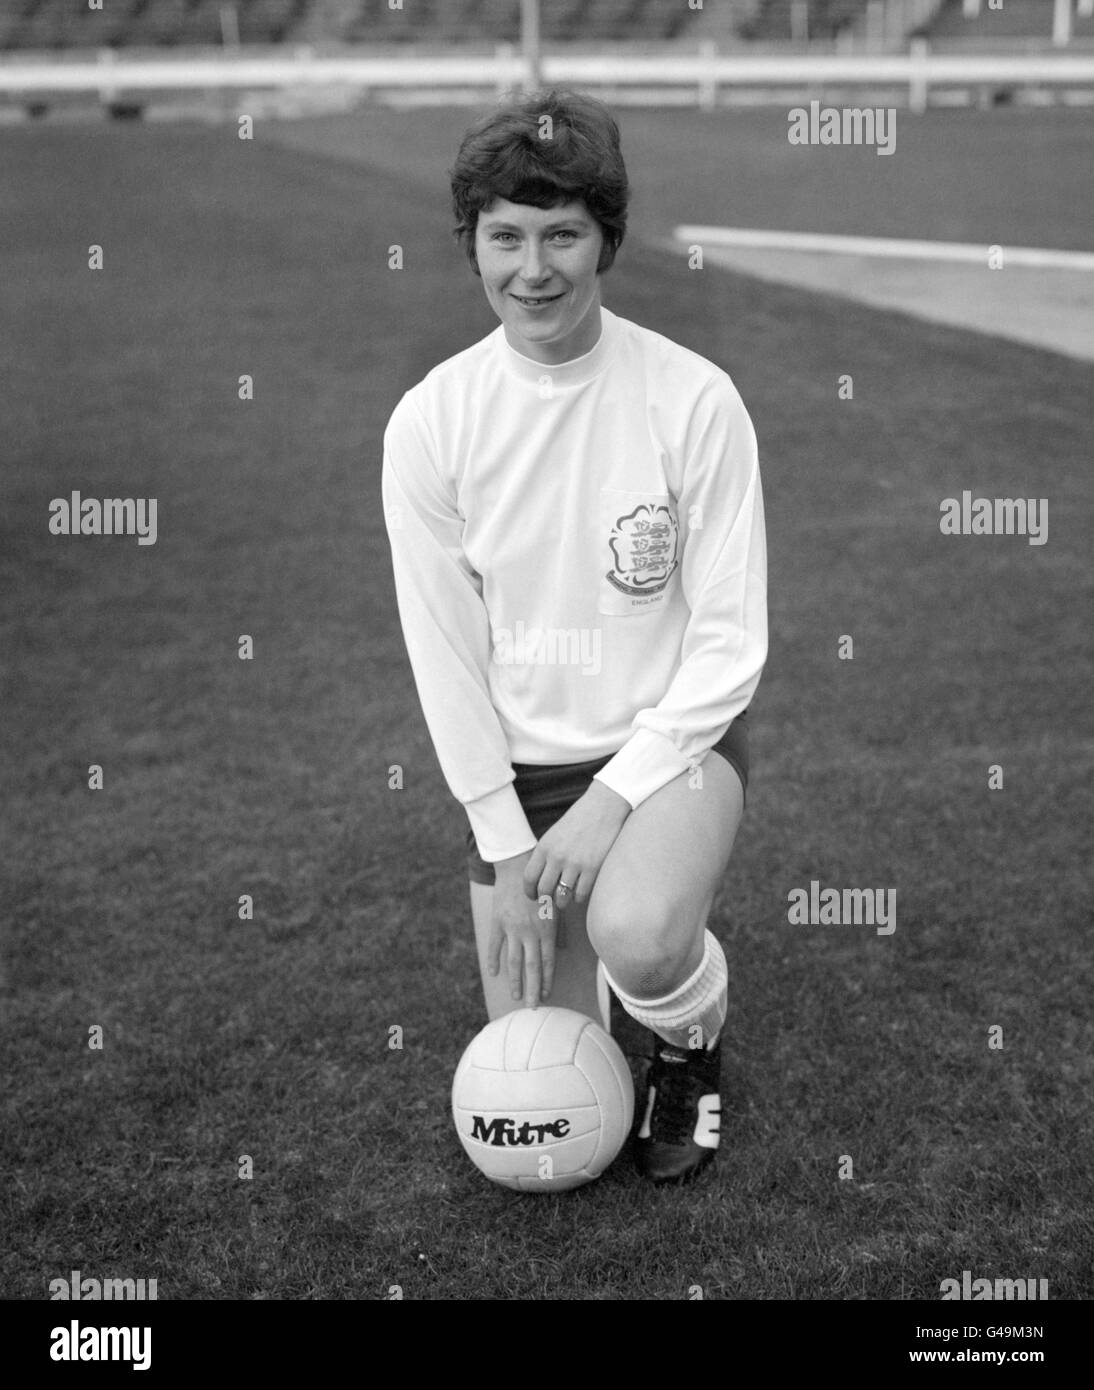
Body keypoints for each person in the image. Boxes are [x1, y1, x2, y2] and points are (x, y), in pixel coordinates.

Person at [381, 88, 767, 1184]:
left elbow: (729, 645)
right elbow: (443, 652)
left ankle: (692, 1044)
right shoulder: (431, 420)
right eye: (504, 236)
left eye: (561, 234)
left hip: (668, 753)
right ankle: (619, 974)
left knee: (637, 933)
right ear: (472, 246)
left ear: (607, 240)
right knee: (537, 1065)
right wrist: (506, 844)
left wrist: (611, 800)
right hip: (523, 773)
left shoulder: (693, 400)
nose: (532, 268)